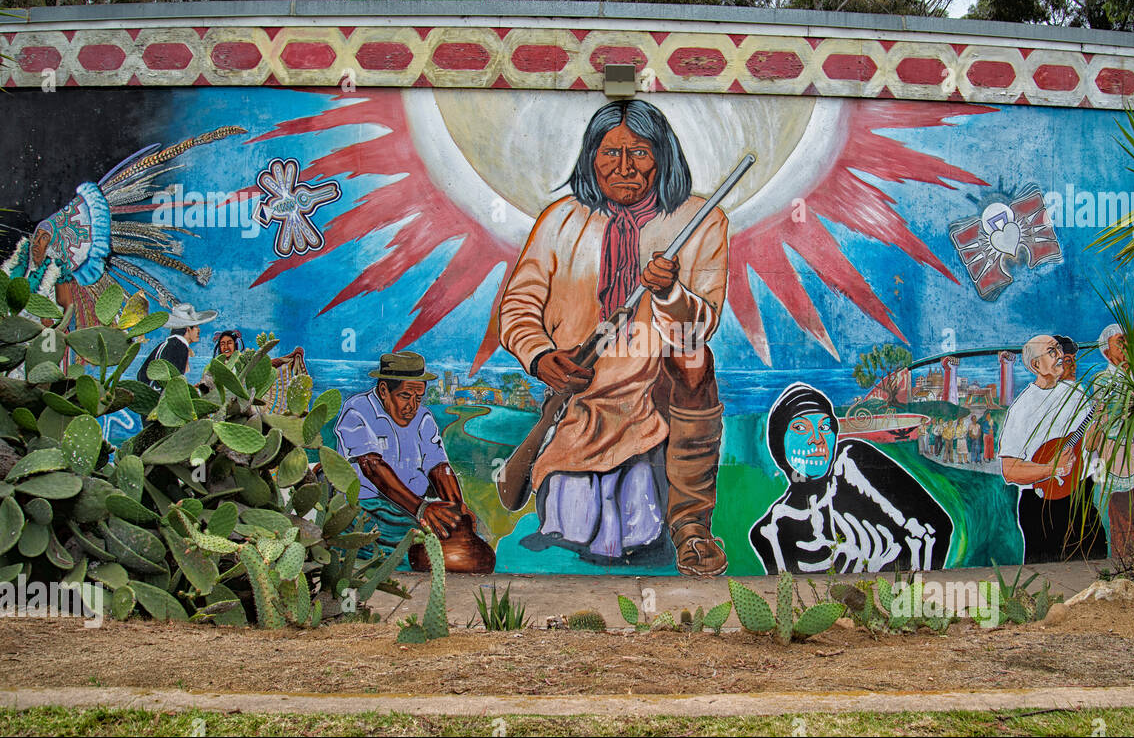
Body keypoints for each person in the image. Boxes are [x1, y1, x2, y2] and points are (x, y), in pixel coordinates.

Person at [499, 99, 729, 575]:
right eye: (610, 153)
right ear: (591, 158)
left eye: (640, 152)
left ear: (662, 157)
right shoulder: (559, 221)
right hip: (580, 397)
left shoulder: (703, 219)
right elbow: (518, 307)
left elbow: (699, 326)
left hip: (657, 400)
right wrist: (541, 357)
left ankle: (691, 527)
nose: (624, 167)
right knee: (574, 525)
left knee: (693, 359)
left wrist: (669, 293)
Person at [749, 383, 952, 574]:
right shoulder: (769, 532)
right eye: (800, 428)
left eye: (825, 427)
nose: (817, 438)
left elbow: (937, 527)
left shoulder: (850, 461)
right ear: (778, 442)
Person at [333, 351, 495, 574]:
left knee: (471, 548)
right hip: (368, 509)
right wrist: (421, 509)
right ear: (383, 391)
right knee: (436, 554)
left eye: (419, 397)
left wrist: (457, 506)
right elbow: (372, 467)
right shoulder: (358, 411)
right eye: (405, 396)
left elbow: (439, 466)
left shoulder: (423, 418)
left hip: (410, 508)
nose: (413, 405)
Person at [999, 334, 1106, 562]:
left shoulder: (1076, 395)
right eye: (1052, 352)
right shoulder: (1021, 408)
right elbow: (1009, 470)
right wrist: (1050, 469)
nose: (1060, 357)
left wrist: (1100, 421)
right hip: (1042, 506)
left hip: (1080, 497)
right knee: (1046, 573)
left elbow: (1090, 445)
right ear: (1036, 365)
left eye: (1058, 351)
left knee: (1095, 555)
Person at [1088, 323, 1134, 562]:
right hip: (1115, 457)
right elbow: (1105, 420)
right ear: (1106, 351)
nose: (1125, 347)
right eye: (1119, 342)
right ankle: (1125, 563)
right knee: (1119, 511)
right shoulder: (1103, 381)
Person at [136, 302, 217, 388]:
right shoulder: (179, 348)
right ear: (188, 329)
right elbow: (173, 384)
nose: (199, 330)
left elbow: (141, 375)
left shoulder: (167, 344)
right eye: (196, 326)